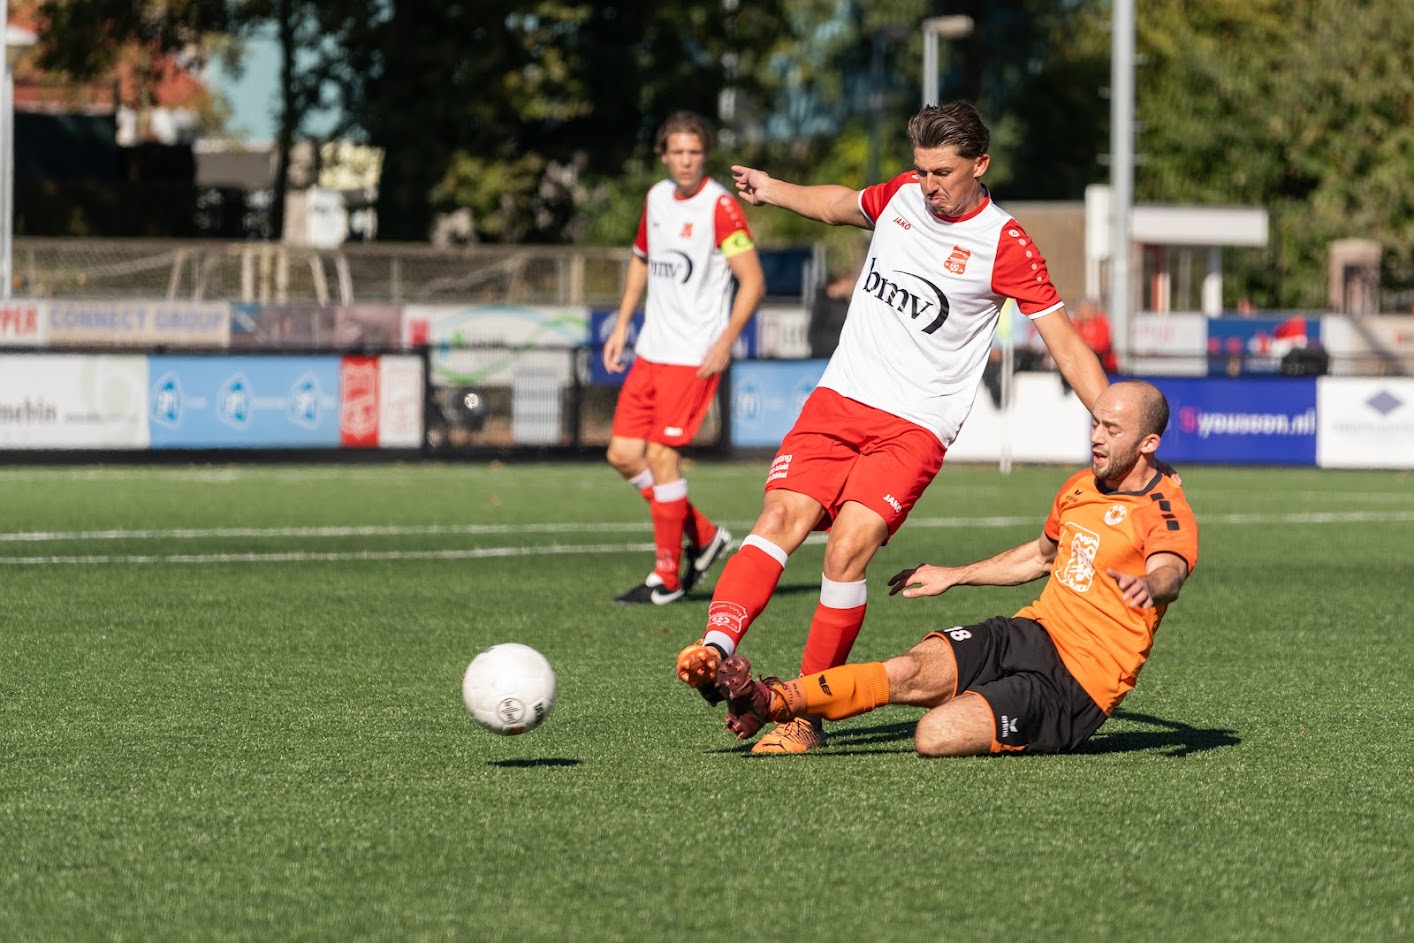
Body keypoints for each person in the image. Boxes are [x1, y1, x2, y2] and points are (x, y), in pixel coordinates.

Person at [674, 100, 1111, 752]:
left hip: (914, 425)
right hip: (840, 398)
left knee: (848, 548)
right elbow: (837, 205)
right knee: (780, 517)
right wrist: (772, 188)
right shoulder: (903, 195)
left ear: (980, 164)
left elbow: (1068, 347)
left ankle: (802, 714)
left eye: (943, 172)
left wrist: (1116, 425)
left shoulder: (1005, 244)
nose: (929, 185)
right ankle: (716, 650)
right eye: (921, 169)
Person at [708, 380, 1198, 757]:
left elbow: (1171, 570)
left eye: (1112, 430)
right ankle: (771, 701)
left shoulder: (1164, 510)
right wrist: (955, 574)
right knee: (910, 667)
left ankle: (984, 701)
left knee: (934, 734)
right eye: (1094, 424)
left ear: (1148, 442)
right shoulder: (1079, 487)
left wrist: (1151, 586)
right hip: (1031, 633)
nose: (1096, 438)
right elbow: (1040, 557)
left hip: (1076, 685)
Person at [604, 111, 766, 605]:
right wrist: (622, 324)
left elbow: (753, 281)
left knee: (661, 458)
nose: (687, 160)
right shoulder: (656, 198)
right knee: (622, 454)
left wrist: (725, 341)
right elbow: (640, 260)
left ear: (705, 155)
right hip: (651, 350)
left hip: (692, 356)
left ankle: (667, 578)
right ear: (664, 156)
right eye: (677, 152)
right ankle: (706, 535)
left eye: (695, 152)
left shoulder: (721, 206)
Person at [1071, 297, 1118, 375]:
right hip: (1082, 366)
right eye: (1080, 309)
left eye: (1084, 309)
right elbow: (1071, 341)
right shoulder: (1076, 324)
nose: (1080, 312)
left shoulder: (1101, 323)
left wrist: (1084, 344)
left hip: (1104, 367)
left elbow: (1101, 345)